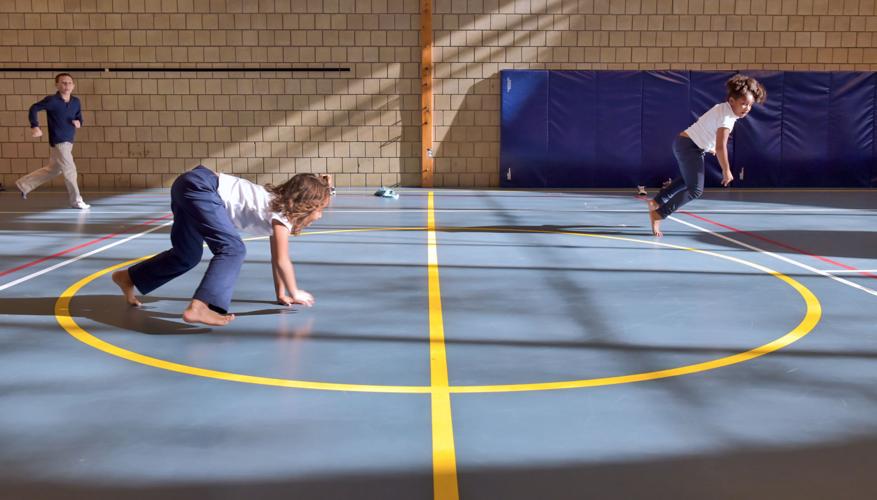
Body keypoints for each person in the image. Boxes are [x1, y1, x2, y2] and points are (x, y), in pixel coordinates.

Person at [112, 166, 331, 326]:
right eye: (320, 209)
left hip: (188, 184)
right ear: (305, 205)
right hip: (202, 187)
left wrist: (282, 294)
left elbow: (276, 258)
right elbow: (284, 260)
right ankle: (201, 306)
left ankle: (129, 278)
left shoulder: (276, 208)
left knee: (187, 255)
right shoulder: (281, 215)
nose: (320, 216)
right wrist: (295, 291)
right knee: (233, 248)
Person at [648, 74, 767, 236]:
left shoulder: (722, 108)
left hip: (685, 143)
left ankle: (657, 201)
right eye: (743, 104)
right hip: (689, 147)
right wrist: (726, 170)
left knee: (686, 180)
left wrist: (708, 146)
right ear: (732, 101)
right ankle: (659, 213)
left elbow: (707, 129)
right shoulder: (727, 118)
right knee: (695, 190)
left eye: (750, 105)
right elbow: (721, 147)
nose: (746, 108)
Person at [16, 73, 90, 209]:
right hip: (58, 140)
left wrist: (79, 122)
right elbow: (34, 108)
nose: (66, 85)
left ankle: (24, 185)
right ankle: (76, 201)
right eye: (63, 83)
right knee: (70, 170)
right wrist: (35, 126)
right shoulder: (52, 101)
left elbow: (79, 117)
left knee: (54, 169)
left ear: (73, 86)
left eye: (69, 83)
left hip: (69, 141)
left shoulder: (76, 101)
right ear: (57, 85)